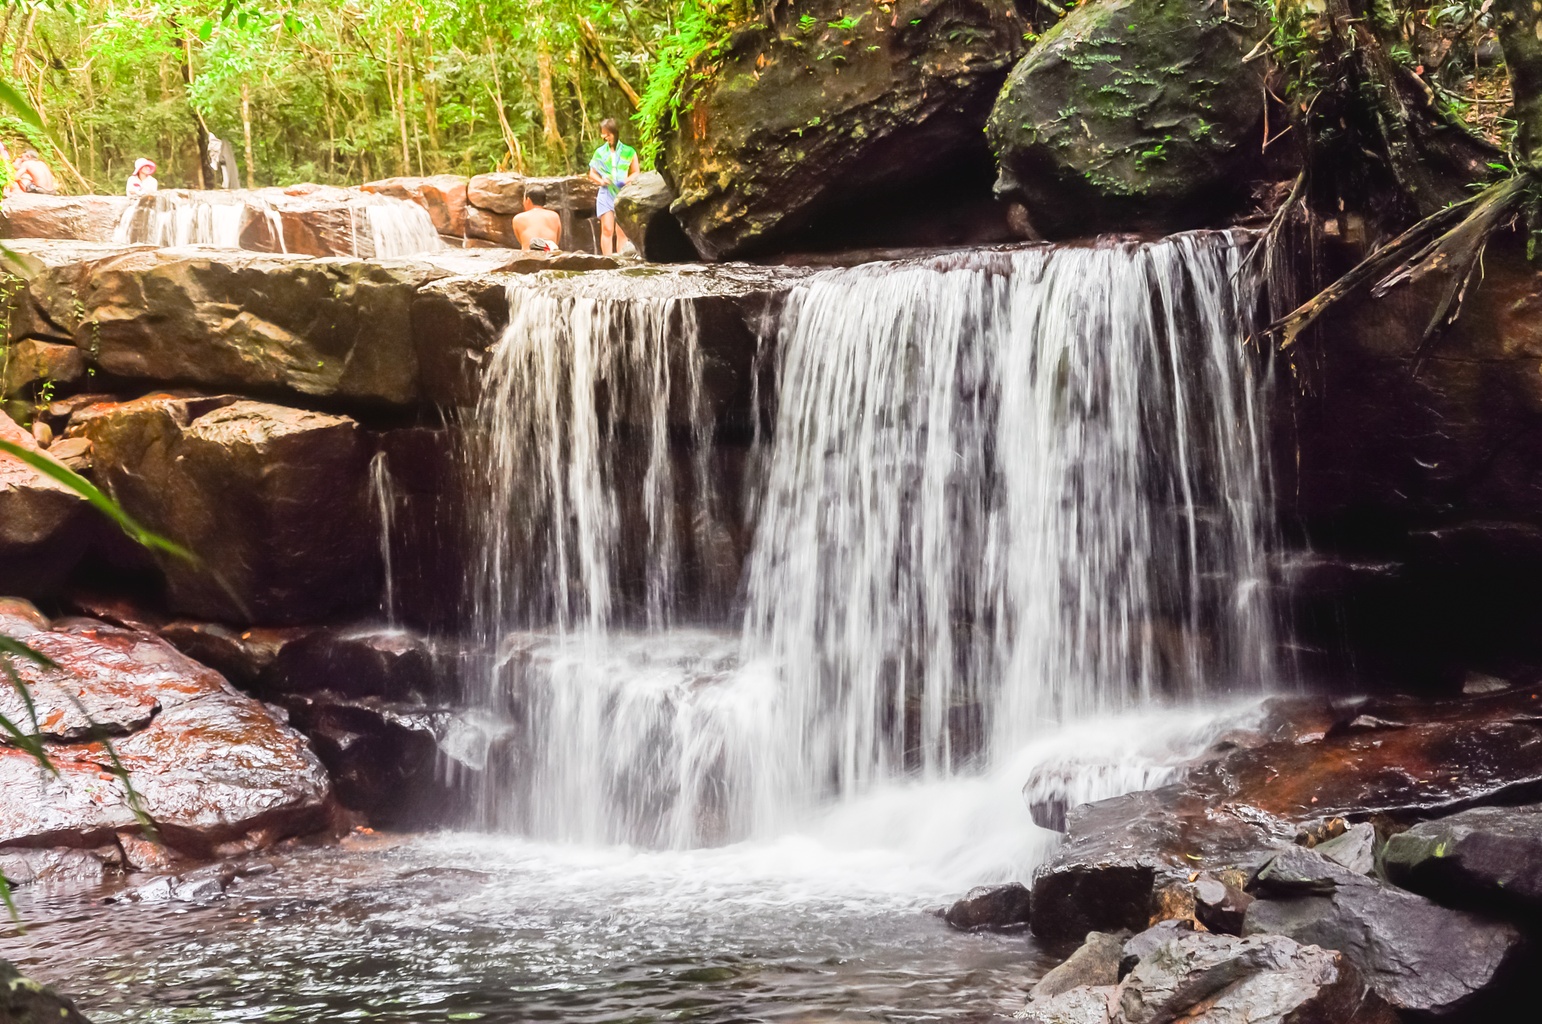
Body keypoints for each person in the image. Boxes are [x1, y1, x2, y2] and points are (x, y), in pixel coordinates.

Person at [588, 117, 638, 255]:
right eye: (603, 134)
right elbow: (592, 173)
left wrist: (626, 180)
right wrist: (601, 181)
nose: (605, 137)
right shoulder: (599, 152)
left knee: (621, 231)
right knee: (607, 229)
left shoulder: (629, 151)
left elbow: (636, 172)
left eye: (608, 134)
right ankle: (607, 259)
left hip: (622, 193)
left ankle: (621, 260)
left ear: (615, 133)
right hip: (605, 193)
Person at [513, 184, 563, 252]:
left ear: (528, 200)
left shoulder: (518, 218)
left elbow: (523, 243)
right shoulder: (555, 216)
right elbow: (556, 242)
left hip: (529, 258)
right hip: (549, 255)